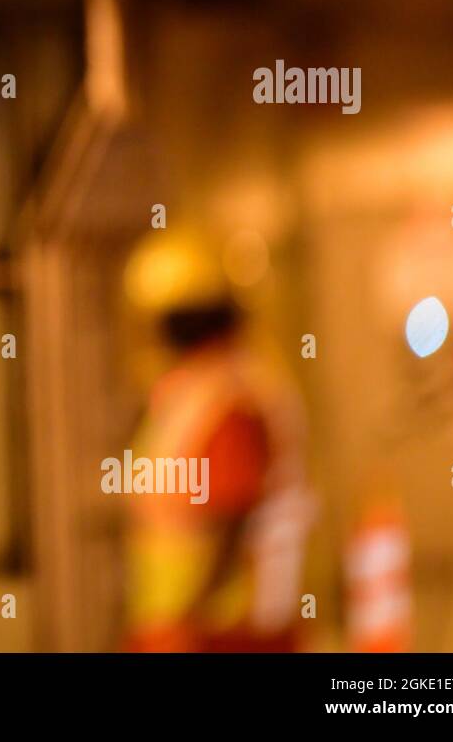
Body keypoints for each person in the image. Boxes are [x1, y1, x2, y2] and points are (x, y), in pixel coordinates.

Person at [121, 227, 313, 652]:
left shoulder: (228, 396)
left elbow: (234, 509)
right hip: (212, 628)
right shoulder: (214, 387)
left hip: (223, 634)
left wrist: (187, 620)